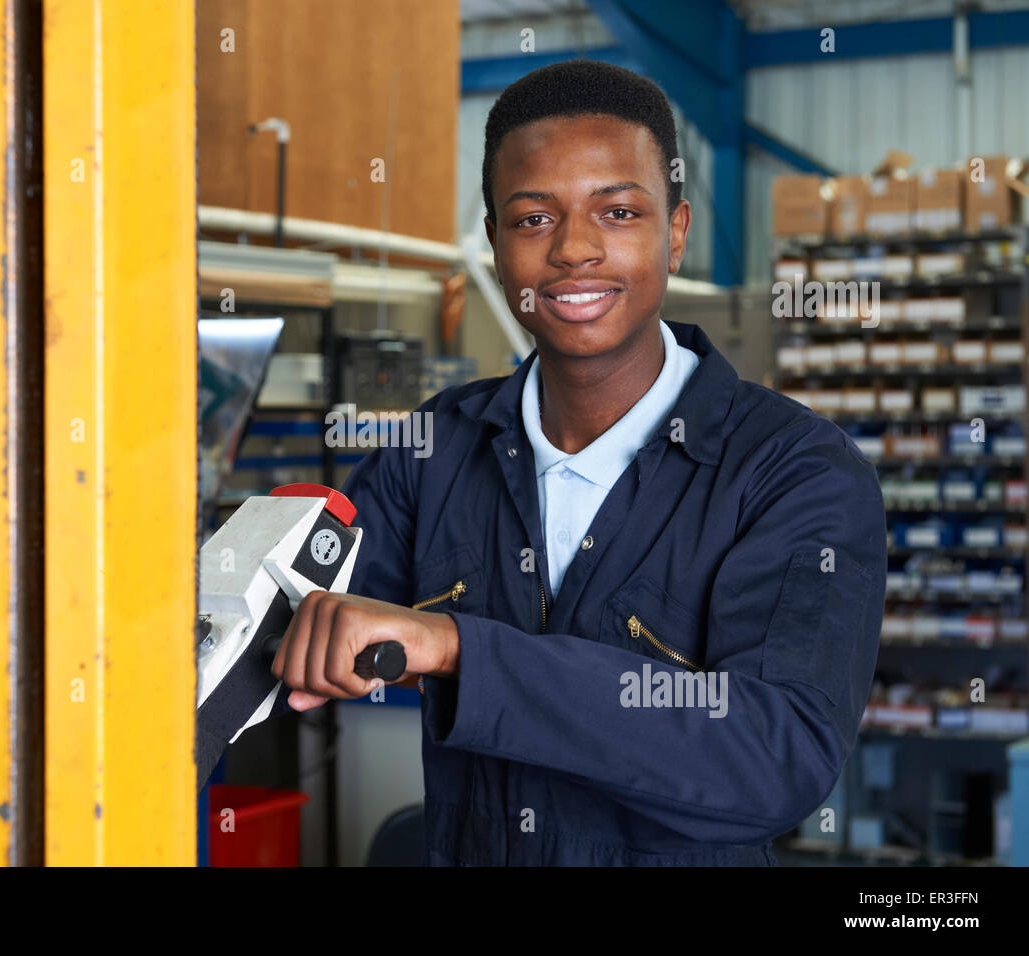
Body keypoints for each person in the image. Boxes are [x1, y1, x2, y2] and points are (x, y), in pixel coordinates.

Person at [270, 59, 886, 866]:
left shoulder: (795, 474)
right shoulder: (436, 448)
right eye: (532, 219)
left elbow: (775, 755)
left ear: (675, 231)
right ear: (494, 244)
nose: (574, 250)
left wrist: (460, 649)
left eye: (618, 211)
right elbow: (295, 614)